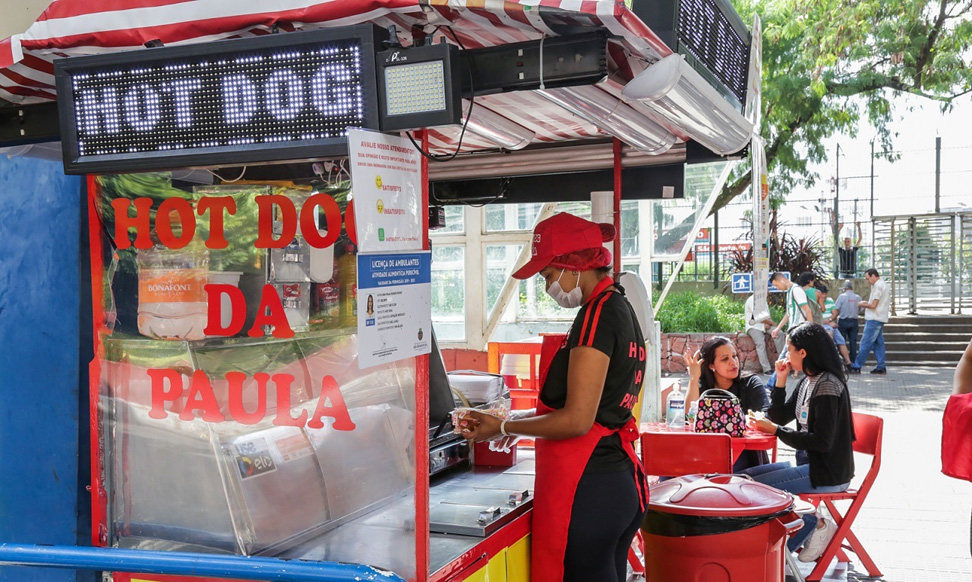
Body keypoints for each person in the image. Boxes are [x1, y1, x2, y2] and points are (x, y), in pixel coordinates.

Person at [457, 212, 648, 582]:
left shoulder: (596, 317)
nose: (548, 287)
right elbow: (594, 405)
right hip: (615, 484)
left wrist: (505, 425)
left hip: (590, 488)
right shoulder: (619, 308)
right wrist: (516, 425)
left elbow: (577, 419)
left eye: (548, 275)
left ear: (573, 265)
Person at [743, 322, 855, 562]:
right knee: (745, 479)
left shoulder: (827, 385)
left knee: (754, 490)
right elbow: (779, 415)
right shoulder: (808, 381)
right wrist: (780, 382)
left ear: (803, 353)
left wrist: (775, 430)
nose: (785, 356)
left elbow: (821, 442)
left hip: (827, 473)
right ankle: (812, 526)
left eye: (789, 350)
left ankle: (804, 533)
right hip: (810, 467)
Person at [683, 336, 770, 470]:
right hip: (705, 453)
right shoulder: (703, 388)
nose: (733, 362)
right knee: (669, 469)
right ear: (711, 365)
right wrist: (694, 378)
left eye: (734, 356)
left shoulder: (750, 383)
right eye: (725, 359)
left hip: (744, 454)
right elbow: (689, 417)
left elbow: (765, 415)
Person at [848, 268, 890, 374]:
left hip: (874, 318)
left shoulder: (878, 286)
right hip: (880, 317)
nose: (867, 281)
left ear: (873, 276)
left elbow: (873, 305)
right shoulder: (883, 284)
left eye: (868, 279)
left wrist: (861, 304)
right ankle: (881, 366)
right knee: (878, 343)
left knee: (865, 343)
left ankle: (857, 366)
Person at [745, 294, 784, 374]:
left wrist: (771, 325)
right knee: (760, 343)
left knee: (779, 333)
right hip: (754, 326)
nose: (767, 292)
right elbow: (757, 317)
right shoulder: (752, 300)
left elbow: (767, 317)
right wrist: (772, 324)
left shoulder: (763, 301)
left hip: (765, 325)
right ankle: (766, 369)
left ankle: (783, 360)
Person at [771, 271, 813, 343]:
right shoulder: (789, 292)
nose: (777, 288)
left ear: (782, 281)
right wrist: (778, 328)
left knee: (786, 353)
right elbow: (789, 313)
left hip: (799, 330)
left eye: (777, 285)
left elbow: (807, 310)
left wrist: (811, 330)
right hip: (793, 331)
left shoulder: (796, 290)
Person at [817, 284, 852, 368]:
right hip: (821, 326)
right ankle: (830, 359)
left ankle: (848, 362)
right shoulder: (814, 303)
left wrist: (830, 320)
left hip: (831, 324)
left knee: (841, 340)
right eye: (822, 294)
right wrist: (828, 322)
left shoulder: (829, 300)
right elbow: (816, 318)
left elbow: (835, 312)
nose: (824, 296)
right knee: (830, 336)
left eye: (825, 293)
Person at [833, 280, 862, 363]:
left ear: (844, 289)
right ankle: (853, 361)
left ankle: (843, 360)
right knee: (853, 342)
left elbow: (836, 309)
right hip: (854, 321)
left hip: (843, 321)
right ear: (852, 288)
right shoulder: (858, 297)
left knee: (842, 342)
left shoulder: (842, 297)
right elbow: (861, 309)